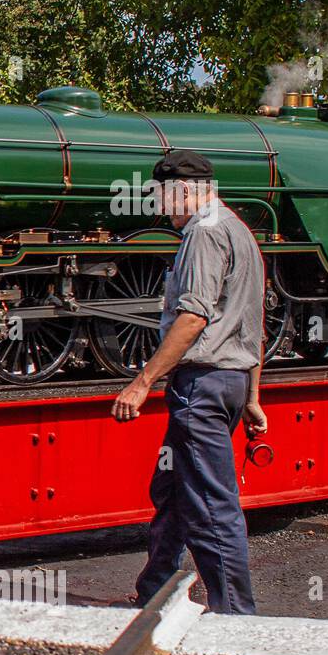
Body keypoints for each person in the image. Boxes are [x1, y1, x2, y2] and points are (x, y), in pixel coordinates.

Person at [112, 150, 266, 615]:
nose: (160, 207)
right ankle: (155, 589)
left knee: (211, 506)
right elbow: (254, 322)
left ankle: (236, 616)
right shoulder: (239, 229)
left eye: (161, 196)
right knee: (174, 490)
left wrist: (142, 381)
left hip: (202, 386)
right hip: (232, 381)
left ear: (182, 190)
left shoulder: (204, 232)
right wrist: (254, 397)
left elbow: (194, 316)